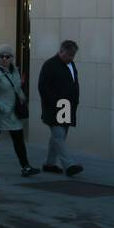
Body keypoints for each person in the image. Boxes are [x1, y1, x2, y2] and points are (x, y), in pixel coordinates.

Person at [0, 44, 39, 176]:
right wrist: (2, 107)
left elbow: (16, 88)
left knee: (18, 139)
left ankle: (26, 167)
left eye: (7, 56)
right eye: (1, 56)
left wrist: (22, 98)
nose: (4, 59)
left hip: (12, 112)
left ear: (12, 58)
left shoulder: (15, 70)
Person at [38, 40, 83, 177]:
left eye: (73, 55)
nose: (71, 58)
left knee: (58, 137)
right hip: (55, 106)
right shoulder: (50, 65)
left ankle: (49, 164)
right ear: (61, 51)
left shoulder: (70, 64)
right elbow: (43, 87)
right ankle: (68, 165)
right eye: (69, 55)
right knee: (59, 136)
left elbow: (74, 83)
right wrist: (53, 103)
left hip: (66, 106)